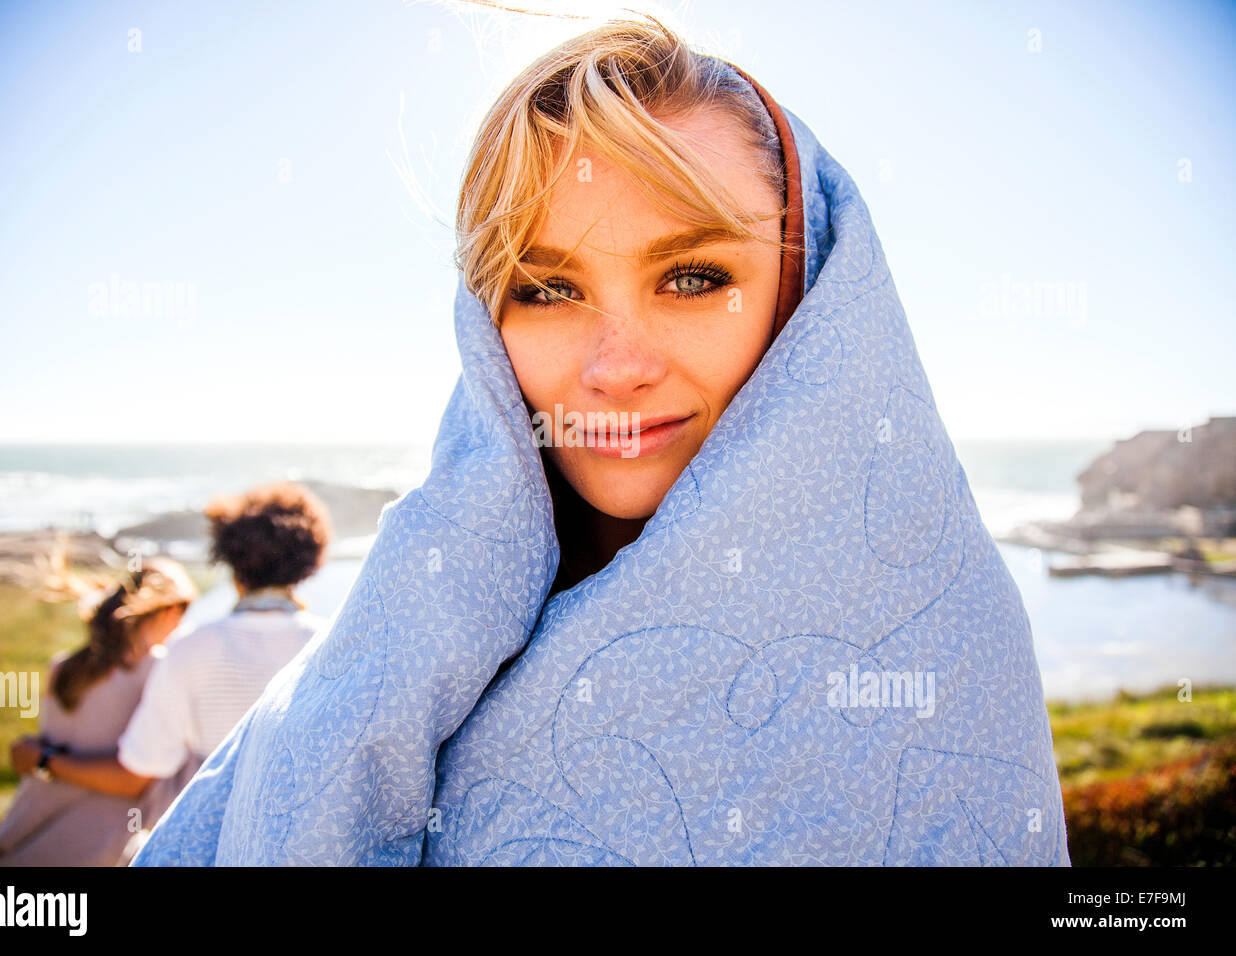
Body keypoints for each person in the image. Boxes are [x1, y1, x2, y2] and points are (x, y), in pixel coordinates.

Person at [134, 15, 1070, 866]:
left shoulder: (947, 654)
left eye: (695, 276)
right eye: (545, 290)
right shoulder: (402, 624)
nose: (616, 367)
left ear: (809, 298)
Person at [11, 481, 331, 853]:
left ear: (231, 562)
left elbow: (139, 768)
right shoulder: (332, 644)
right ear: (308, 562)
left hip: (216, 850)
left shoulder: (188, 651)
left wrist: (42, 760)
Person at [0, 558, 197, 866]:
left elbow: (43, 753)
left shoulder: (62, 667)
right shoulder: (158, 669)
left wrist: (44, 760)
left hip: (28, 836)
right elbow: (133, 781)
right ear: (170, 611)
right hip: (97, 849)